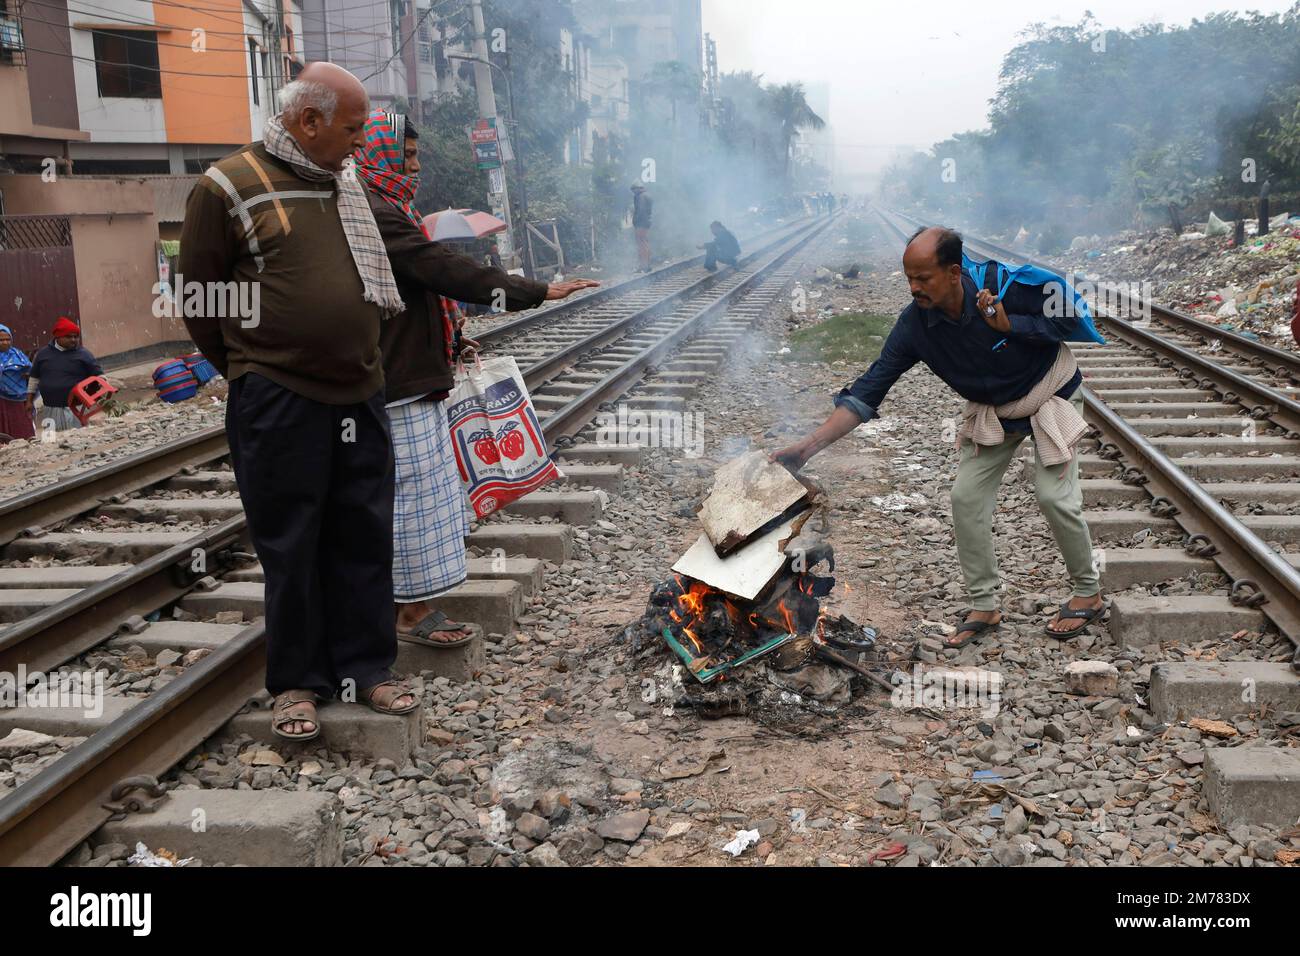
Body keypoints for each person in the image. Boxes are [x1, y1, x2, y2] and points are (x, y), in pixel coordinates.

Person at [178, 62, 416, 741]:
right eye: (352, 127)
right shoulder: (227, 185)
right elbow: (201, 298)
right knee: (292, 545)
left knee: (365, 536)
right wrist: (253, 367)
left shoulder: (345, 183)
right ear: (308, 122)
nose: (361, 142)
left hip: (360, 392)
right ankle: (296, 685)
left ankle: (368, 671)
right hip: (280, 400)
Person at [773, 227, 1106, 646]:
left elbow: (1067, 318)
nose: (914, 287)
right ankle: (984, 604)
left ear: (953, 272)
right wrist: (807, 448)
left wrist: (1010, 323)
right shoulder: (916, 326)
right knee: (965, 497)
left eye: (923, 278)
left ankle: (1087, 594)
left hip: (1050, 394)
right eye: (909, 277)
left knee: (1053, 495)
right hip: (997, 410)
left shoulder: (1003, 289)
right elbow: (869, 390)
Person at [353, 109, 598, 646]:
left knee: (427, 497)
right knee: (416, 501)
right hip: (398, 384)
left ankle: (403, 607)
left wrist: (449, 337)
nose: (414, 167)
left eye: (416, 156)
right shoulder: (374, 211)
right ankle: (407, 616)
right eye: (407, 156)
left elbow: (421, 285)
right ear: (377, 153)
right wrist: (532, 289)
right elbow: (440, 269)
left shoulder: (385, 204)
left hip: (413, 375)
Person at [27, 317, 104, 432]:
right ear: (58, 337)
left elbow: (100, 377)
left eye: (76, 337)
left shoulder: (84, 355)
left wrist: (95, 394)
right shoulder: (43, 354)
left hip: (77, 409)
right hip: (50, 408)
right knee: (52, 441)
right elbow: (34, 379)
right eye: (69, 337)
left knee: (79, 439)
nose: (73, 340)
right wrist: (29, 401)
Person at [0, 324, 35, 441]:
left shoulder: (18, 355)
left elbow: (33, 374)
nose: (5, 343)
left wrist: (28, 375)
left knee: (22, 428)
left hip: (19, 400)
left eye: (7, 339)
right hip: (1, 401)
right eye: (1, 340)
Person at [631, 183, 653, 272]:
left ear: (636, 188)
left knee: (641, 244)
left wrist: (635, 221)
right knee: (645, 243)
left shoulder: (641, 197)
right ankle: (646, 265)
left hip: (641, 223)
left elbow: (640, 210)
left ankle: (643, 266)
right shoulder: (647, 195)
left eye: (633, 190)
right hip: (646, 222)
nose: (633, 193)